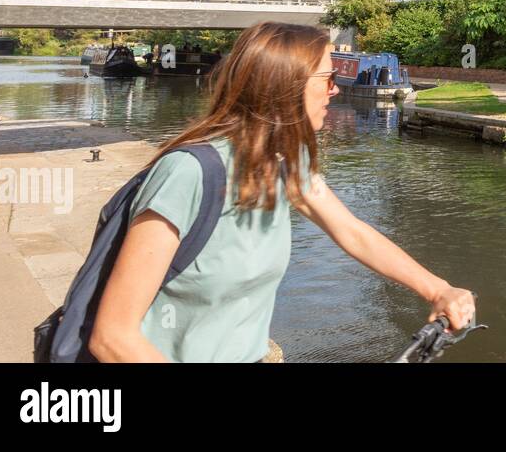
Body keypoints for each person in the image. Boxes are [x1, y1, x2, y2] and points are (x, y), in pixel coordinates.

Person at [87, 22, 475, 362]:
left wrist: (438, 289)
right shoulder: (188, 173)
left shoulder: (286, 162)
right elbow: (112, 338)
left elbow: (352, 232)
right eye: (327, 79)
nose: (335, 91)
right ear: (284, 87)